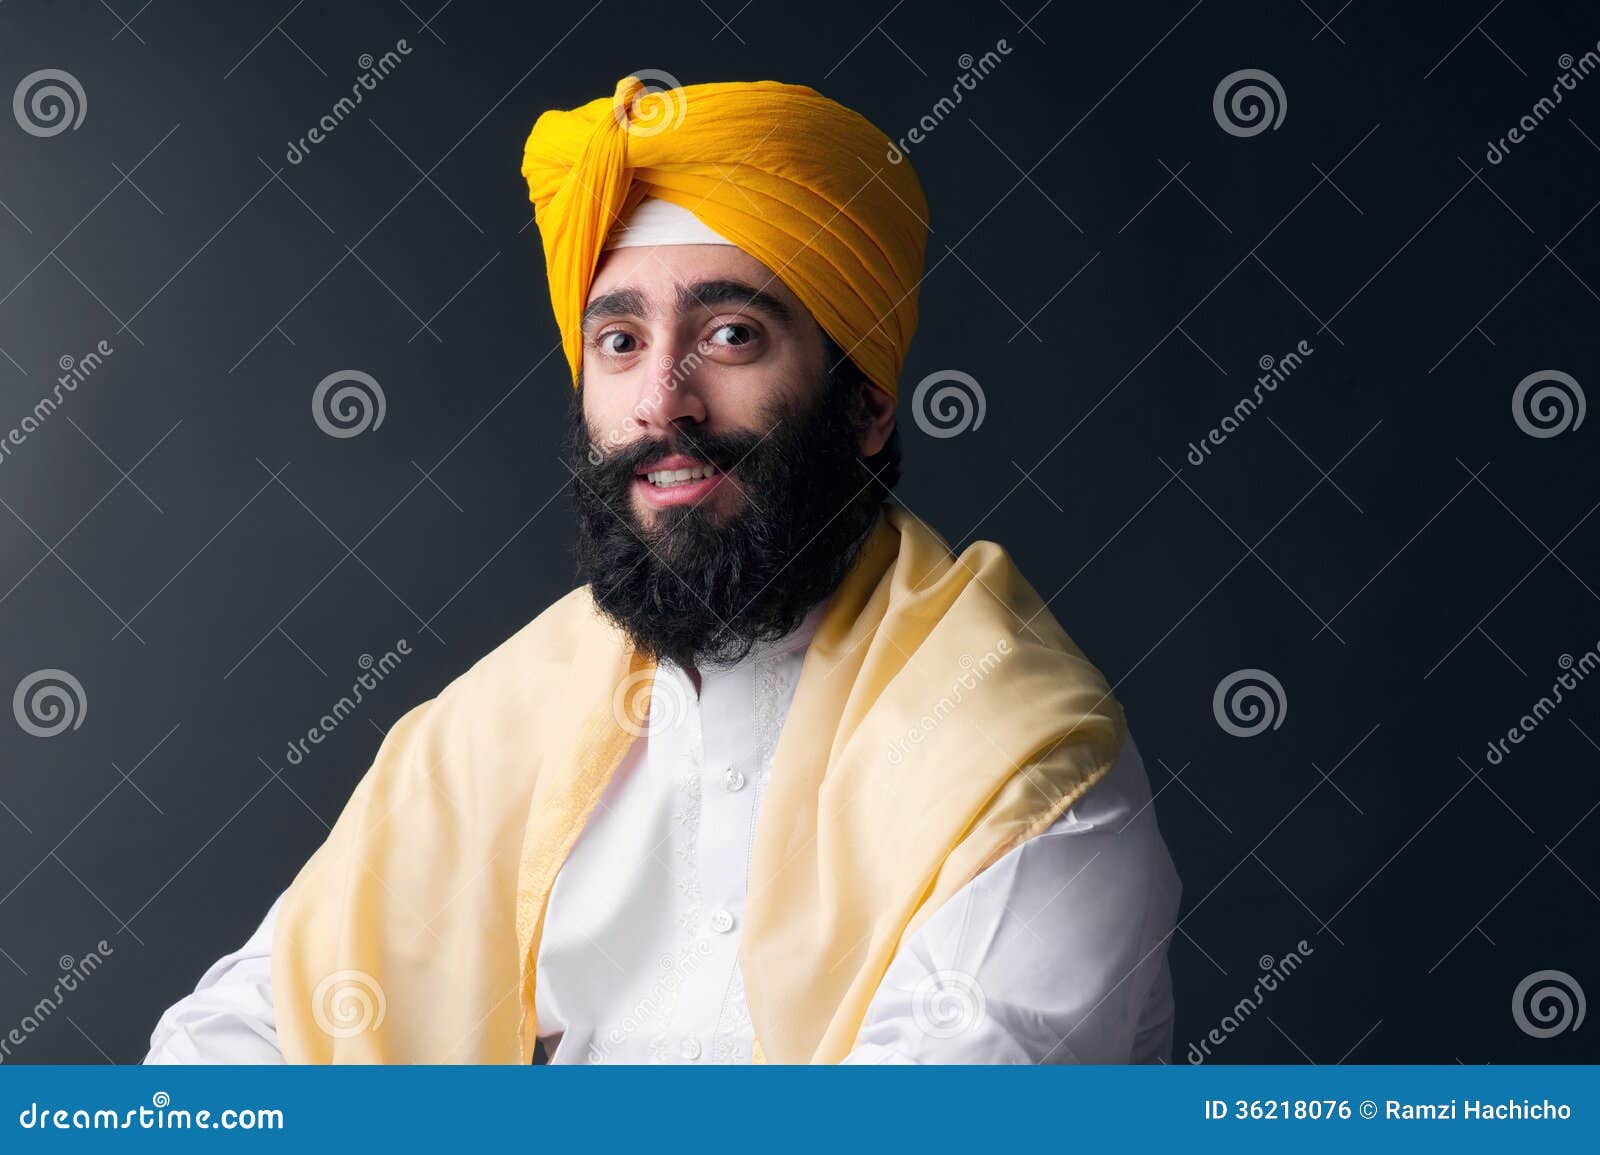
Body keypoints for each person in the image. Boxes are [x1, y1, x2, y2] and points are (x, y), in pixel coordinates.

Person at [145, 74, 1180, 1065]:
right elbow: (240, 1033)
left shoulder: (1013, 757)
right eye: (621, 341)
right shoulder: (507, 717)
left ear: (865, 405)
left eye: (731, 335)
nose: (660, 401)